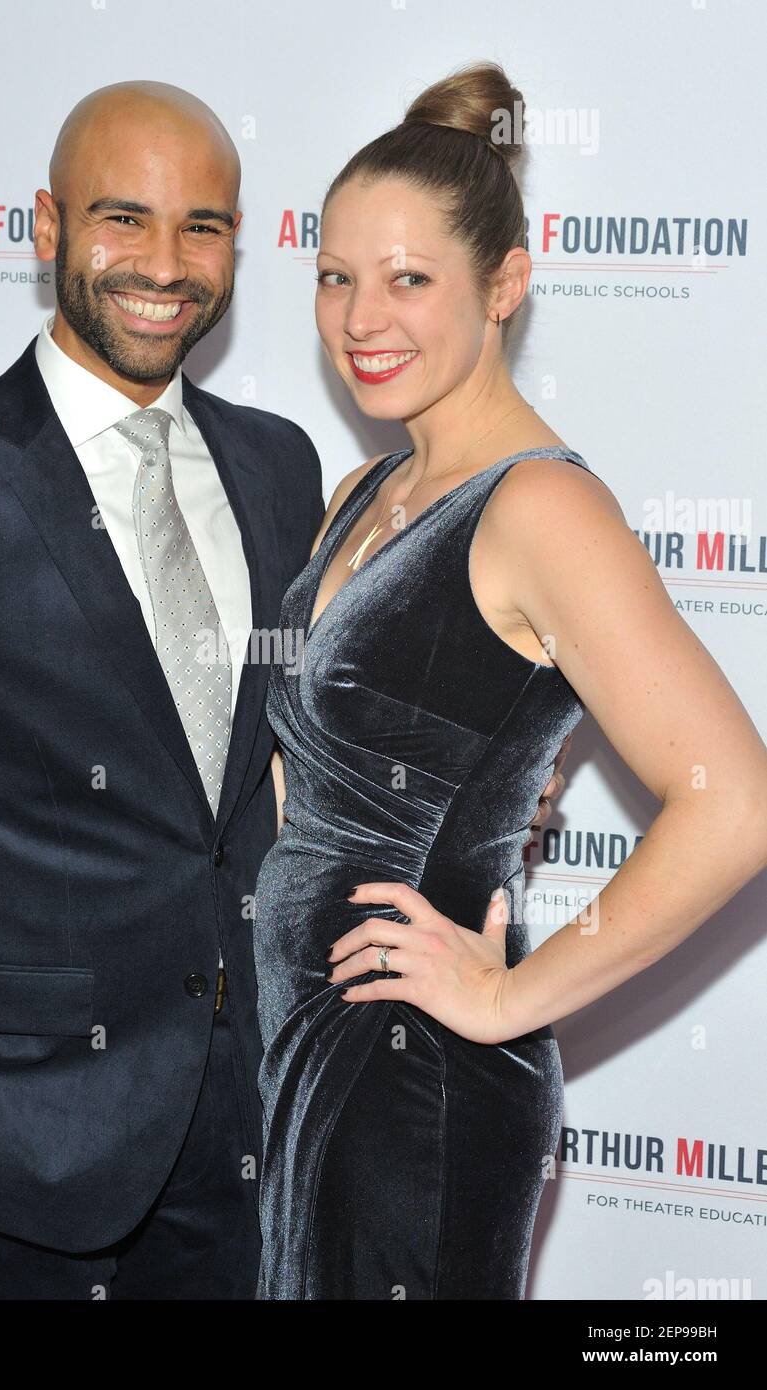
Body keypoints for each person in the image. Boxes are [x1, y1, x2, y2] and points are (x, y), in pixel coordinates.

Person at [0, 78, 567, 1301]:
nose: (164, 265)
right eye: (123, 219)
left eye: (203, 227)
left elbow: (292, 763)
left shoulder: (284, 465)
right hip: (11, 1157)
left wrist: (477, 786)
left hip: (261, 1139)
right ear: (46, 227)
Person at [253, 60, 767, 1301]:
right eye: (335, 277)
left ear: (506, 285)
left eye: (408, 279)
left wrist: (507, 998)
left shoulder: (541, 506)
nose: (360, 316)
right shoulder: (363, 492)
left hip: (415, 1078)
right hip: (305, 1053)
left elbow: (733, 803)